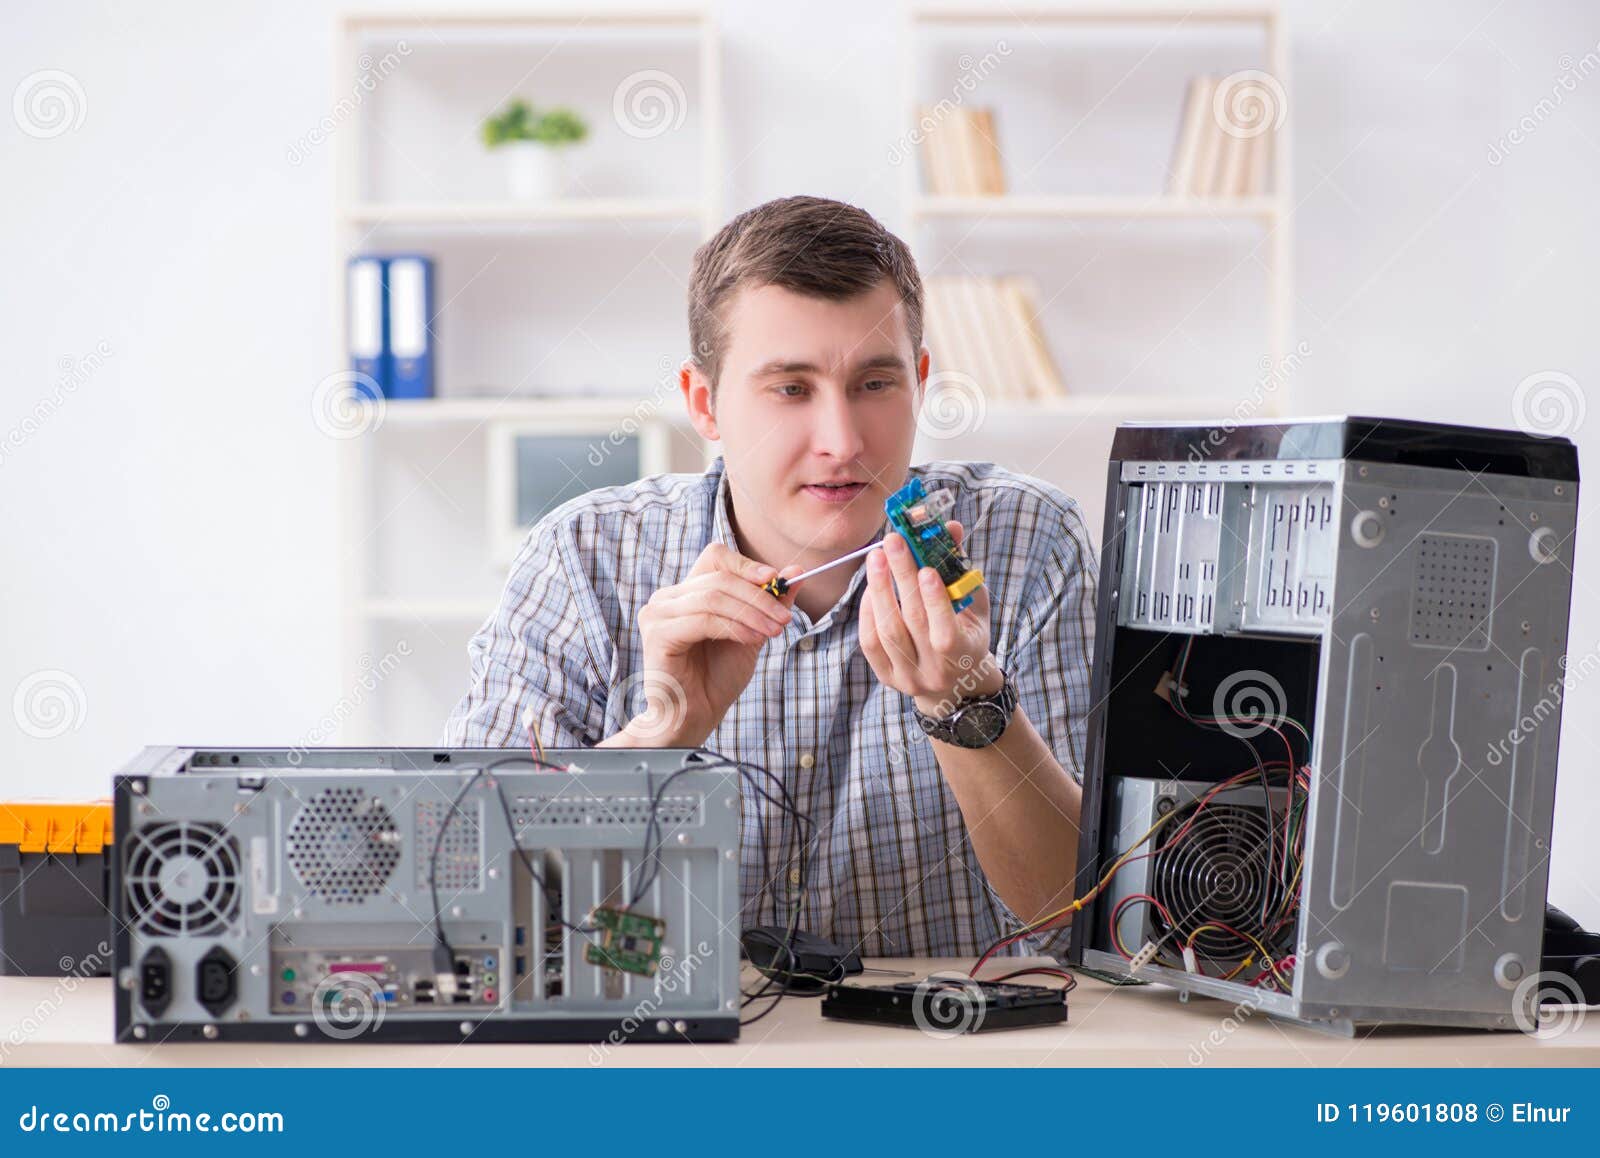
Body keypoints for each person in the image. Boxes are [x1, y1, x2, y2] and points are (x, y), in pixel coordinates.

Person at [444, 195, 1097, 958]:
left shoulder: (1028, 542)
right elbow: (470, 902)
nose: (842, 441)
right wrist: (663, 731)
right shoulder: (584, 556)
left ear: (920, 382)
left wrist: (967, 705)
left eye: (875, 384)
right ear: (704, 403)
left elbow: (1080, 918)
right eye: (791, 389)